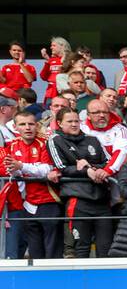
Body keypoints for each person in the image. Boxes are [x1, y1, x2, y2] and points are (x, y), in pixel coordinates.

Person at [46, 107, 113, 257]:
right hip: (78, 200)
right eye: (69, 121)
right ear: (59, 123)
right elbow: (62, 166)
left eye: (76, 121)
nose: (74, 124)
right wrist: (86, 172)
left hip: (102, 200)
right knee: (80, 247)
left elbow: (108, 162)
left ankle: (107, 280)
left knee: (106, 247)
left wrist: (90, 167)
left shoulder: (93, 140)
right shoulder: (55, 140)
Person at [3, 110, 61, 259]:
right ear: (15, 127)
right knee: (35, 251)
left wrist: (21, 166)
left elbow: (46, 169)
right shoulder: (13, 145)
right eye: (23, 124)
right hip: (27, 203)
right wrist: (17, 169)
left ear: (37, 126)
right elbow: (13, 172)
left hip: (49, 200)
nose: (28, 127)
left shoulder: (47, 142)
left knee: (52, 249)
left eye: (31, 124)